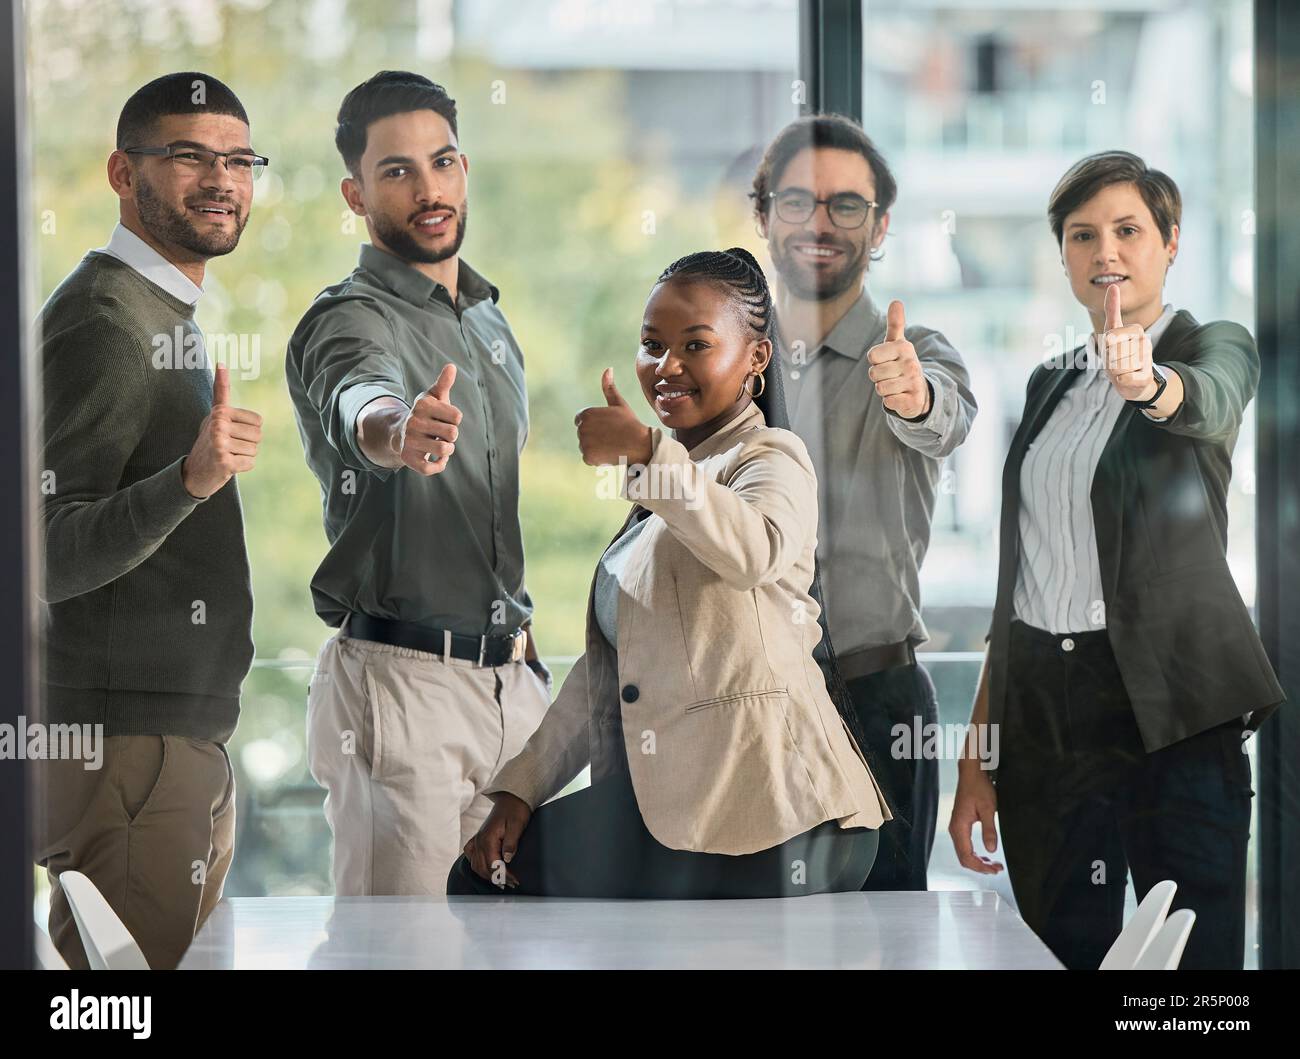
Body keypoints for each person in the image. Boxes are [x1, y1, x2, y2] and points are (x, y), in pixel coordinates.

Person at [447, 248, 891, 899]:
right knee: (485, 874)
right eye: (652, 344)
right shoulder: (662, 490)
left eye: (695, 344)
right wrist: (520, 787)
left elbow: (752, 550)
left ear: (757, 358)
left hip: (786, 816)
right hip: (681, 806)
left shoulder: (771, 457)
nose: (667, 366)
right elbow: (605, 676)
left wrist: (644, 450)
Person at [948, 151, 1285, 970]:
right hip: (1043, 710)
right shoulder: (1049, 382)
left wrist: (1152, 385)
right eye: (1082, 235)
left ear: (1169, 242)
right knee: (1058, 948)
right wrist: (976, 757)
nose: (1106, 251)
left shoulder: (1214, 345)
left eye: (1129, 230)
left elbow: (1208, 401)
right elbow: (1023, 582)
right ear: (1063, 256)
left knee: (1192, 967)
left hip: (1172, 708)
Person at [286, 71, 551, 897]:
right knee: (401, 950)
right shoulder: (348, 318)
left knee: (516, 944)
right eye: (396, 171)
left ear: (464, 168)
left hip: (512, 688)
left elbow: (487, 513)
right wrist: (396, 431)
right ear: (355, 192)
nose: (428, 188)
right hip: (402, 691)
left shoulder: (489, 319)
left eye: (442, 162)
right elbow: (356, 396)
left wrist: (524, 649)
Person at [34, 72, 264, 969]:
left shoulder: (159, 309)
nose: (221, 179)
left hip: (164, 744)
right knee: (116, 1012)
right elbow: (44, 551)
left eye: (239, 158)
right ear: (122, 174)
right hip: (127, 751)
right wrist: (191, 479)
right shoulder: (106, 321)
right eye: (188, 157)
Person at [751, 115, 977, 890]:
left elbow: (943, 415)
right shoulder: (727, 362)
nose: (820, 222)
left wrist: (912, 396)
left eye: (846, 205)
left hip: (876, 704)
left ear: (879, 227)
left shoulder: (917, 353)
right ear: (764, 216)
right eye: (796, 202)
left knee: (885, 941)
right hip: (745, 706)